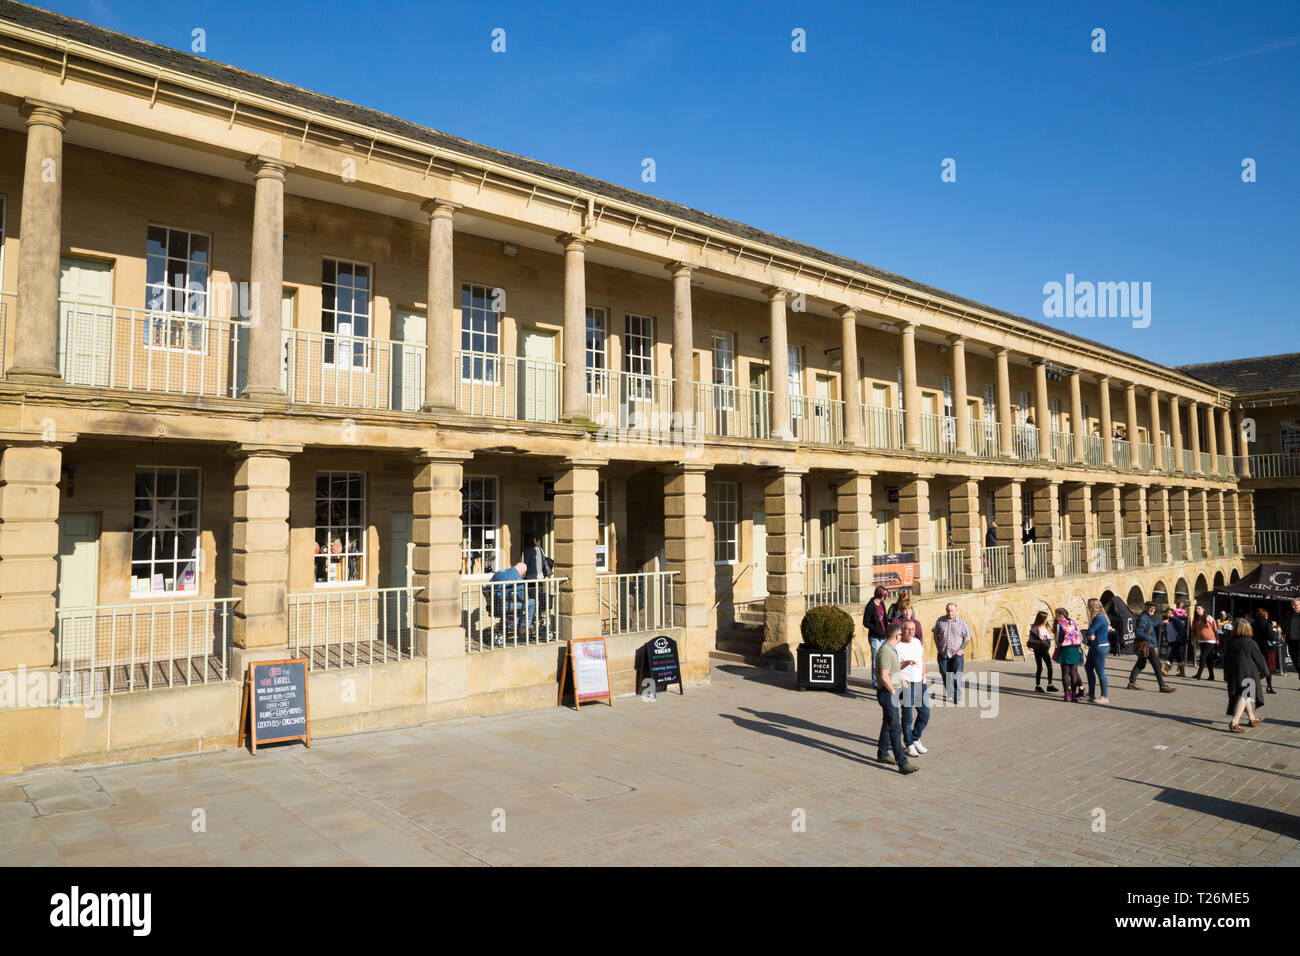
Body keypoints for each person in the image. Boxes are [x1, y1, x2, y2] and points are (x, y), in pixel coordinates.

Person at [874, 623, 919, 774]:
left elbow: (893, 668)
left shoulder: (891, 649)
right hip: (887, 693)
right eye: (901, 634)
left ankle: (883, 753)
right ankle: (902, 763)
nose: (903, 636)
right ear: (897, 636)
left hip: (889, 692)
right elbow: (884, 675)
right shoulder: (886, 651)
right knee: (895, 727)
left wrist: (906, 663)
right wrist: (893, 691)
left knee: (887, 723)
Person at [1224, 618, 1268, 732]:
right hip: (1248, 673)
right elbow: (1259, 658)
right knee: (1245, 696)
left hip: (1234, 673)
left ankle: (1252, 719)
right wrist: (1266, 672)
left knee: (1244, 696)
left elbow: (1226, 658)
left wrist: (1226, 674)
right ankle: (1235, 722)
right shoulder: (1250, 642)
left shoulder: (1230, 641)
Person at [896, 619, 929, 758]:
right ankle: (909, 744)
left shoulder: (916, 642)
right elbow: (895, 667)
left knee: (925, 713)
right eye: (907, 629)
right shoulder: (898, 646)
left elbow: (922, 659)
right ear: (902, 630)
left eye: (912, 630)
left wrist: (924, 676)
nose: (910, 632)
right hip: (906, 683)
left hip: (920, 682)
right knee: (908, 716)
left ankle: (915, 738)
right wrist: (906, 664)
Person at [1127, 603, 1175, 693]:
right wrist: (1148, 638)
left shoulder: (1146, 617)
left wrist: (1162, 622)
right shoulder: (1143, 618)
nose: (1152, 609)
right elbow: (1138, 632)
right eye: (1150, 608)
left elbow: (1151, 624)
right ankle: (1162, 686)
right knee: (1157, 665)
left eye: (1153, 608)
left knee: (1140, 664)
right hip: (1148, 645)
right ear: (1145, 608)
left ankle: (1131, 683)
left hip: (1147, 645)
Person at [932, 602, 973, 704]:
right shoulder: (940, 620)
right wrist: (938, 648)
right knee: (946, 675)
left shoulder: (962, 622)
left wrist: (962, 649)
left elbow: (968, 636)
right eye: (948, 610)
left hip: (956, 654)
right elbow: (935, 634)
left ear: (956, 611)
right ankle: (950, 694)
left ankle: (957, 698)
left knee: (957, 677)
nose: (950, 613)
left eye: (952, 611)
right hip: (943, 653)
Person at [1054, 607, 1084, 702]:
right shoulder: (1073, 622)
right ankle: (1074, 696)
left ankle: (1067, 695)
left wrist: (1058, 645)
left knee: (1065, 673)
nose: (1056, 617)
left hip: (1065, 649)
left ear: (1061, 615)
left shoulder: (1060, 624)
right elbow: (1080, 636)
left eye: (1057, 615)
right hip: (1075, 648)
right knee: (1074, 673)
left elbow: (1058, 639)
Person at [1083, 597, 1110, 703]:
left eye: (1089, 606)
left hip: (1100, 647)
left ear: (1092, 607)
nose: (1088, 608)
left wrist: (1090, 634)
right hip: (1094, 646)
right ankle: (1091, 694)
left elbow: (1091, 630)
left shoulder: (1100, 618)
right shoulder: (1097, 618)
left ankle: (1104, 697)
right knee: (1088, 668)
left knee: (1100, 672)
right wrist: (1091, 634)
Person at [862, 586, 889, 688]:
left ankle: (883, 679)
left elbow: (884, 618)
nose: (884, 598)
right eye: (884, 596)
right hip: (875, 637)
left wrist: (887, 629)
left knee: (883, 659)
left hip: (884, 636)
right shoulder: (870, 606)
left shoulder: (882, 604)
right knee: (875, 661)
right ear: (881, 595)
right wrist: (876, 629)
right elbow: (865, 622)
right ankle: (875, 682)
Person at [1026, 610, 1057, 694]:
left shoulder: (1046, 626)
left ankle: (1050, 685)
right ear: (1042, 619)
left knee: (1050, 666)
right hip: (1039, 649)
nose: (1047, 619)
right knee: (1040, 667)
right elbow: (1030, 641)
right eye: (1046, 618)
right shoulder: (1035, 628)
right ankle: (1038, 686)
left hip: (1045, 649)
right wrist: (1041, 642)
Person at [1251, 607, 1278, 694]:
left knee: (1257, 666)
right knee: (1268, 668)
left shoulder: (1253, 624)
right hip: (1268, 648)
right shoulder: (1268, 624)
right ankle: (1269, 686)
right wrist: (1274, 630)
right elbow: (1271, 636)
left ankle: (1254, 684)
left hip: (1257, 647)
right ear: (1265, 615)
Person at [1191, 604, 1219, 681]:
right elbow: (1193, 631)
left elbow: (1215, 629)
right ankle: (1211, 676)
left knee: (1203, 656)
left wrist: (1217, 639)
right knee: (1209, 659)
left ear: (1203, 609)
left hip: (1210, 641)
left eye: (1198, 609)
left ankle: (1198, 674)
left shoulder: (1209, 617)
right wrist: (1192, 639)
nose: (1197, 610)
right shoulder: (1196, 619)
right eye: (1196, 609)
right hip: (1201, 641)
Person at [1162, 607, 1187, 677]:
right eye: (1167, 613)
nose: (1168, 614)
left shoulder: (1176, 620)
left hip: (1177, 641)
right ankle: (1182, 672)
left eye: (1169, 613)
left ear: (1173, 614)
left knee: (1171, 655)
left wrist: (1179, 638)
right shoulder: (1167, 621)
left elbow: (1182, 630)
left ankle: (1166, 670)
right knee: (1178, 656)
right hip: (1171, 641)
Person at [1287, 599, 1300, 687]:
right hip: (1291, 641)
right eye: (1292, 605)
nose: (1293, 607)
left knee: (1299, 662)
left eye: (1295, 605)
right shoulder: (1289, 614)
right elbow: (1286, 624)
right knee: (1295, 662)